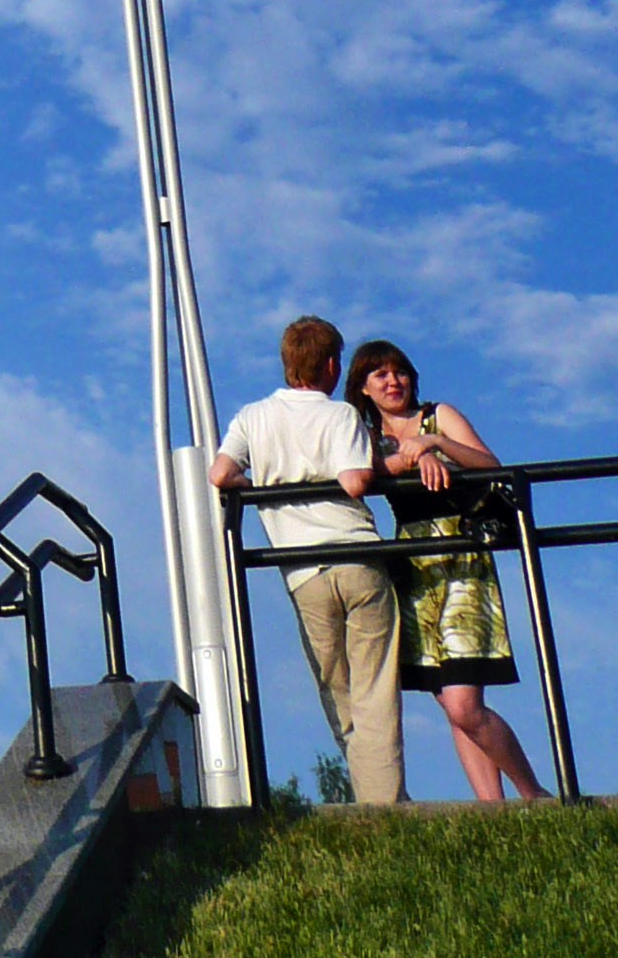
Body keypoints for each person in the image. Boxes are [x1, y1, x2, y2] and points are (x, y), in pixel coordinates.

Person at [344, 338, 549, 804]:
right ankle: (491, 808)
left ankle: (533, 793)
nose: (393, 381)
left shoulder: (440, 415)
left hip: (458, 553)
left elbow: (492, 465)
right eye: (381, 375)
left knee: (464, 703)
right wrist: (412, 457)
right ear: (363, 387)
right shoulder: (364, 433)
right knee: (448, 702)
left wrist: (435, 443)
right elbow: (361, 475)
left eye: (400, 372)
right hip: (413, 562)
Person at [211, 315, 404, 805]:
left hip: (302, 571)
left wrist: (252, 486)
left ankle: (370, 799)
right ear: (333, 365)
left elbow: (220, 472)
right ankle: (386, 807)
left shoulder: (253, 417)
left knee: (336, 692)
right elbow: (357, 480)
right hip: (356, 556)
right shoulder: (341, 416)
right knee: (375, 689)